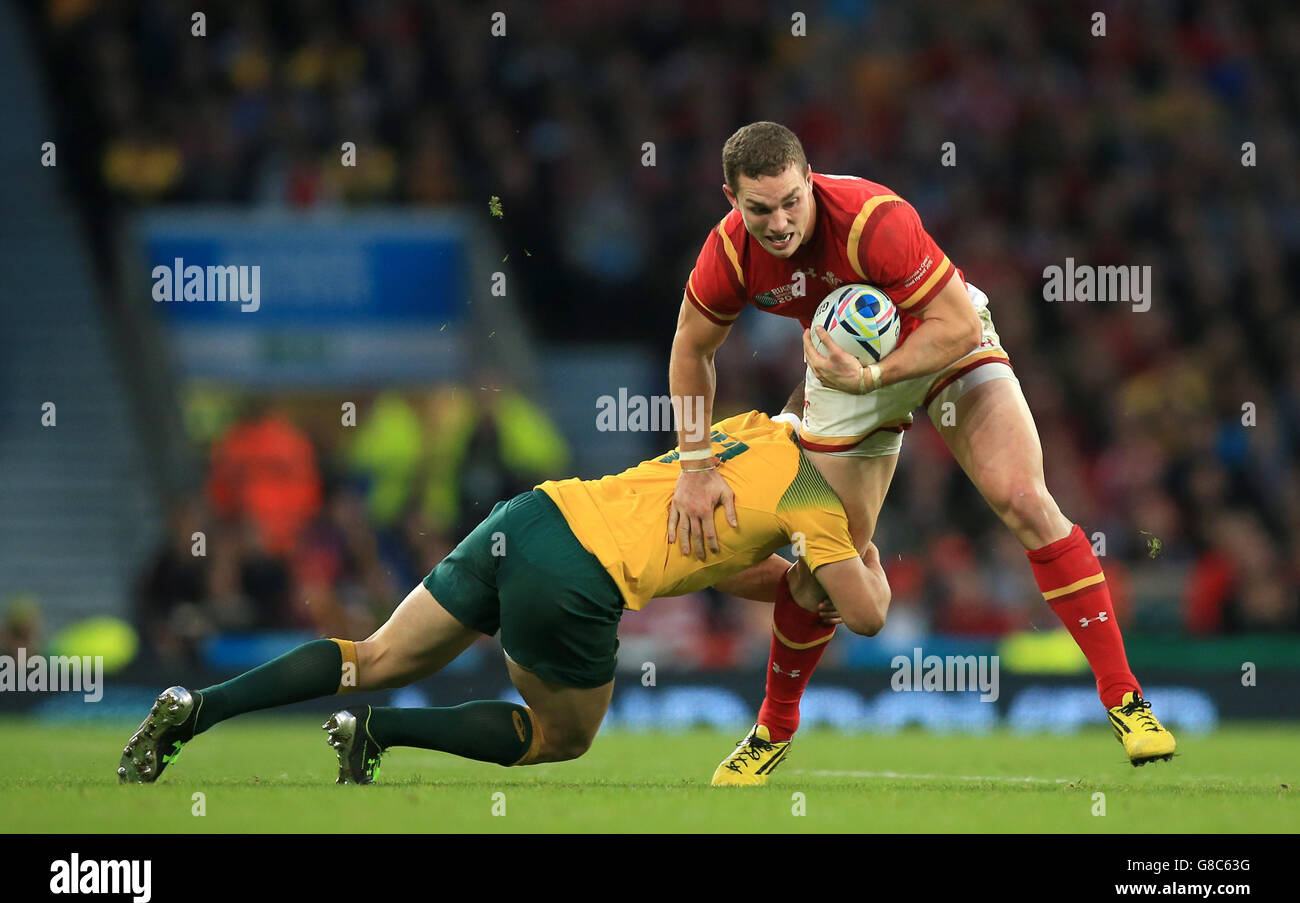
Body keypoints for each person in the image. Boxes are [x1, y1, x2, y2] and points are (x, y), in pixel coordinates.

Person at [664, 121, 1175, 783]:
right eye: (760, 208)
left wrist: (877, 377)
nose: (781, 221)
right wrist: (696, 466)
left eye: (792, 200)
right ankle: (772, 730)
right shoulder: (730, 254)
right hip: (847, 374)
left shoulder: (873, 220)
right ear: (731, 198)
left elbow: (958, 321)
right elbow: (690, 347)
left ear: (810, 177)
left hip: (939, 344)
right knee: (827, 558)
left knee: (1023, 498)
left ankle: (1126, 700)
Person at [119, 410, 886, 785]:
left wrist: (787, 578)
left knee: (376, 653)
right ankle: (377, 733)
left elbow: (709, 558)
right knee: (563, 737)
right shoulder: (815, 498)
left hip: (531, 516)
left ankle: (197, 709)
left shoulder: (744, 429)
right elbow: (866, 612)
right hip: (578, 577)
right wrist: (861, 556)